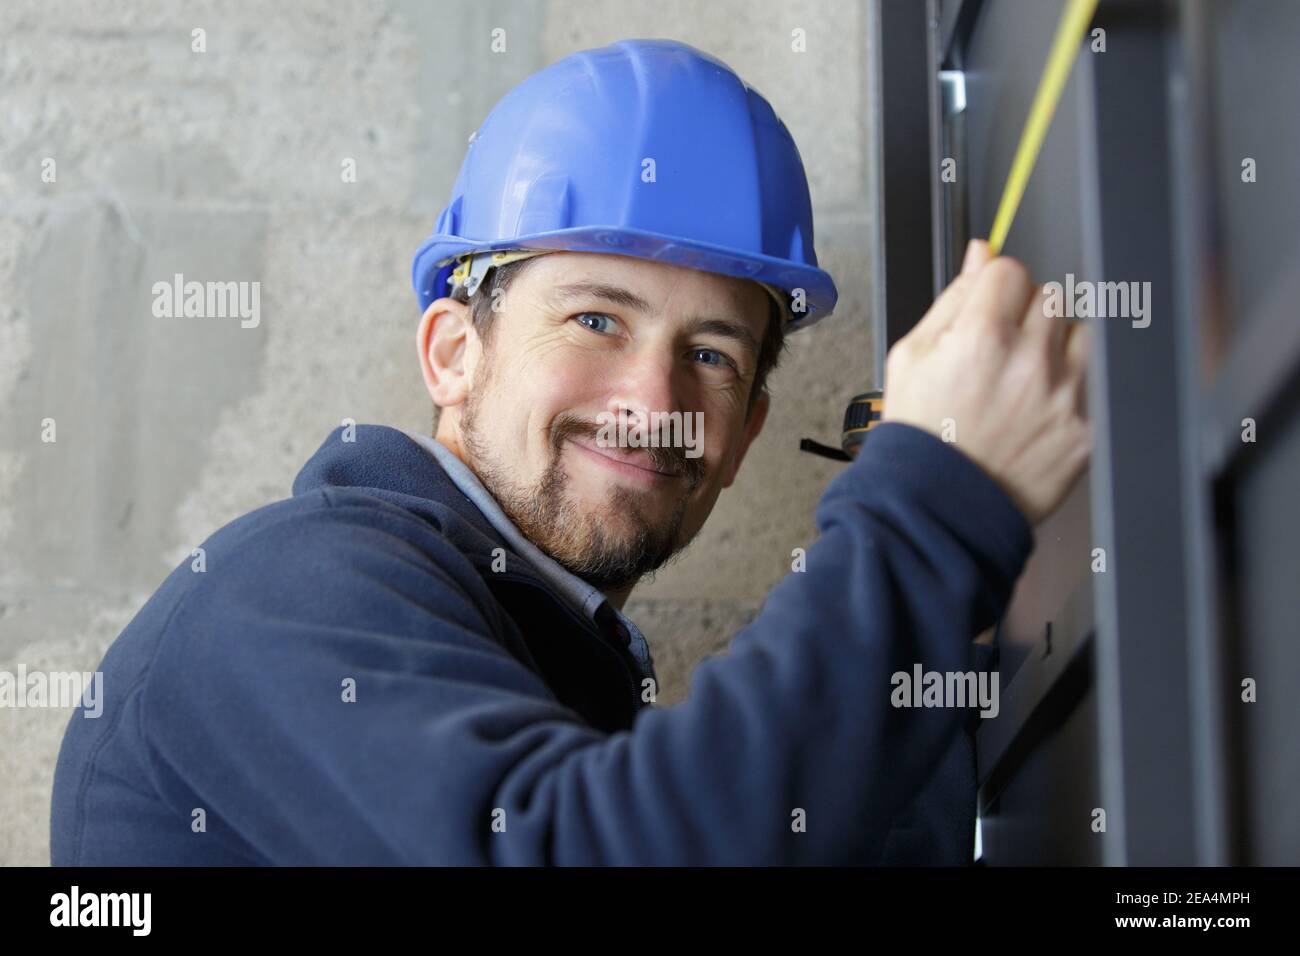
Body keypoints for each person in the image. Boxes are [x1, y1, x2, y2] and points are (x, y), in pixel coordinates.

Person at [51, 39, 1088, 865]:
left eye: (712, 354)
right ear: (453, 353)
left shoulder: (540, 671)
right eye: (596, 319)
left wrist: (953, 628)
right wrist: (937, 507)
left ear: (746, 437)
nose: (652, 400)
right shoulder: (283, 590)